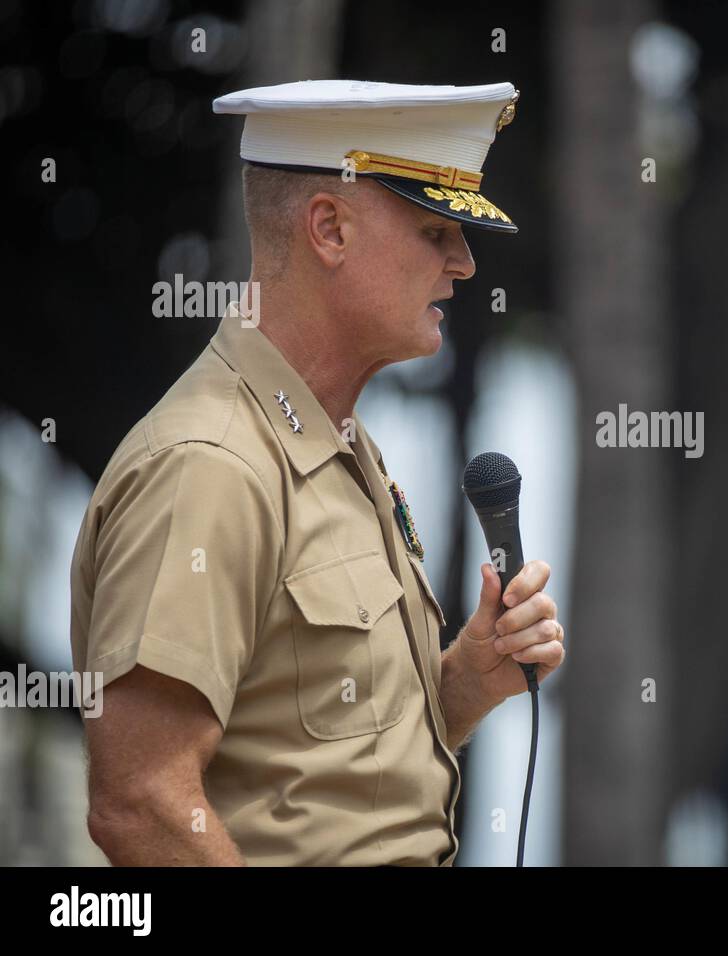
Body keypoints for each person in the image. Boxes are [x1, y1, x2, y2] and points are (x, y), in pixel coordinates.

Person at [69, 80, 563, 866]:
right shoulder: (211, 465)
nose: (465, 264)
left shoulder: (332, 443)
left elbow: (324, 771)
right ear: (328, 228)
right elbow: (139, 802)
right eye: (437, 229)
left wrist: (464, 683)